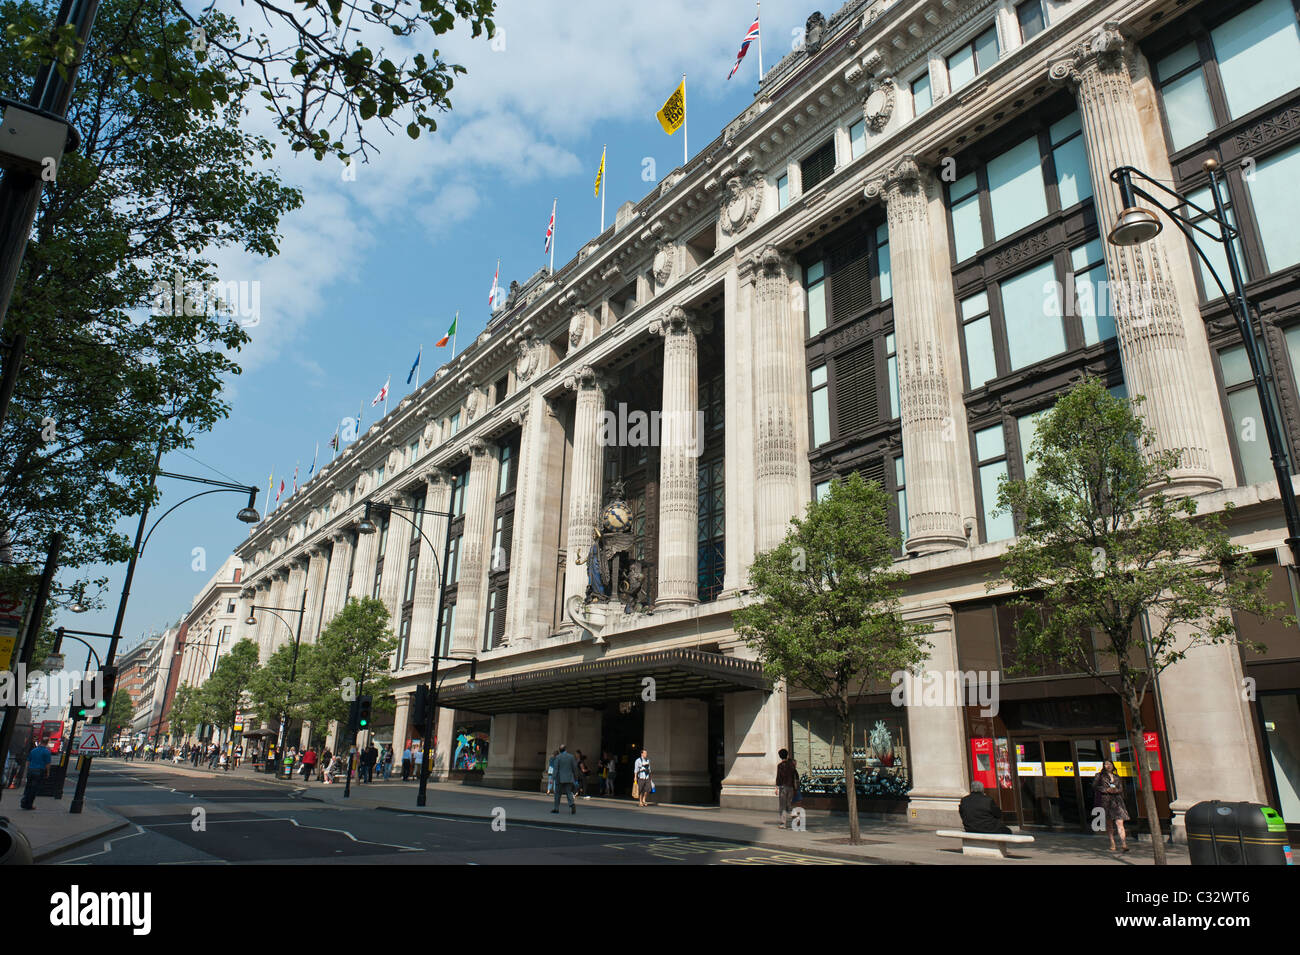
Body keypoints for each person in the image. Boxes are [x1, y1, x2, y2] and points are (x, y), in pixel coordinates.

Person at [1094, 760, 1130, 852]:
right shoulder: (1099, 776)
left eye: (1110, 764)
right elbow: (1095, 786)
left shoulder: (1117, 776)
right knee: (1109, 824)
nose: (1108, 766)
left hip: (1117, 801)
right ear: (1103, 766)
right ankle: (1112, 843)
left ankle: (1124, 843)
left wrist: (1116, 790)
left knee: (1120, 823)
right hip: (1106, 801)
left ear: (1113, 766)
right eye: (1106, 764)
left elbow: (1121, 788)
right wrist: (1107, 790)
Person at [19, 738, 53, 810]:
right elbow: (48, 764)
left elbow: (28, 761)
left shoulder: (33, 750)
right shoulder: (47, 752)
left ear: (40, 742)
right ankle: (29, 804)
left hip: (31, 770)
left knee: (28, 787)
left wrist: (27, 771)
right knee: (34, 789)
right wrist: (48, 772)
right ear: (47, 743)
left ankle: (24, 801)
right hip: (39, 771)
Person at [551, 744, 580, 815]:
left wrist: (552, 778)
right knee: (569, 792)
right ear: (565, 749)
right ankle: (572, 804)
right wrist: (576, 779)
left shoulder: (558, 757)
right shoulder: (571, 757)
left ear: (559, 750)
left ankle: (556, 808)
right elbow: (575, 769)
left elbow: (556, 769)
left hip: (559, 779)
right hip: (569, 778)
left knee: (557, 794)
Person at [776, 748, 800, 829]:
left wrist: (776, 787)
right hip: (791, 788)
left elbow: (779, 777)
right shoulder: (791, 765)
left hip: (783, 787)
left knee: (782, 806)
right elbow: (796, 776)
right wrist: (795, 787)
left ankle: (783, 823)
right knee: (788, 805)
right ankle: (795, 816)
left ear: (780, 756)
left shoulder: (780, 766)